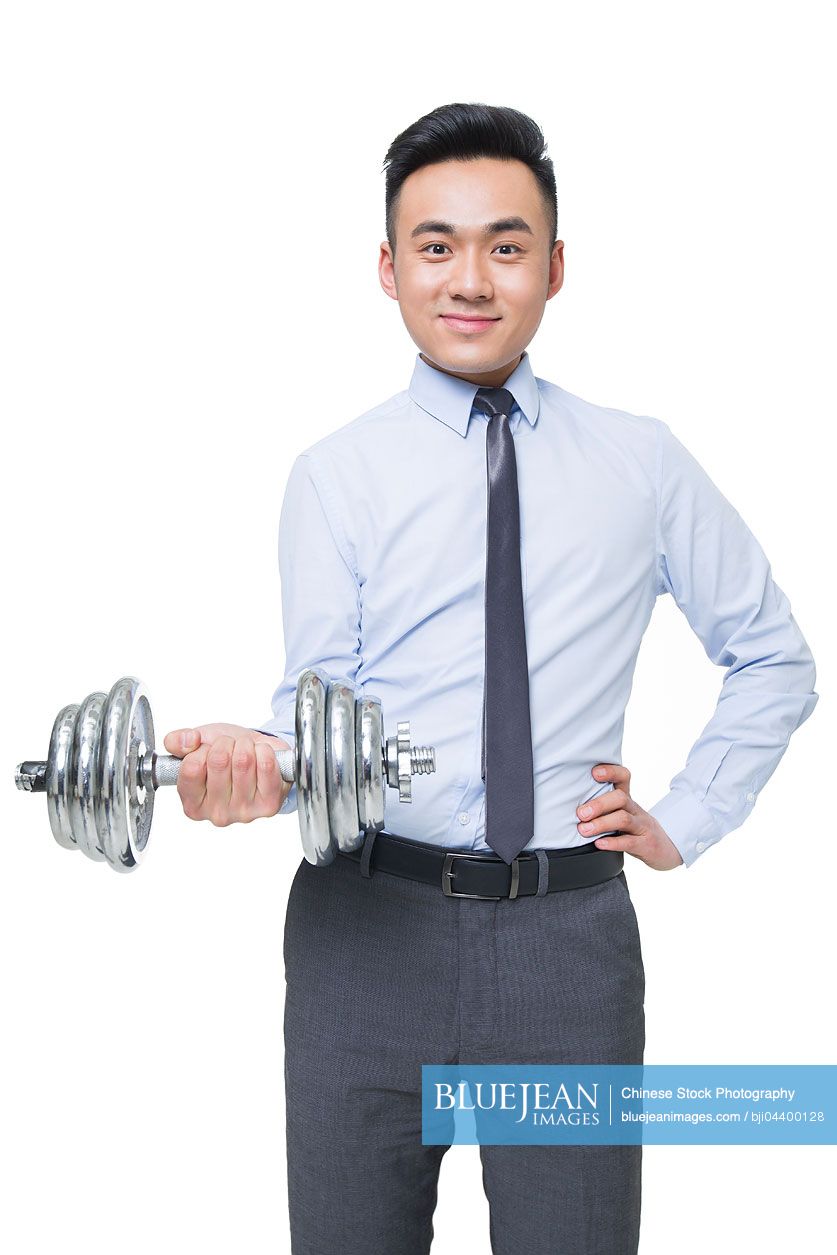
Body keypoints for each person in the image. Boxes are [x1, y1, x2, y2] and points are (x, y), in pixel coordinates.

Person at [162, 103, 818, 1254]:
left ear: (554, 268)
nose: (471, 279)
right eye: (436, 246)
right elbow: (317, 716)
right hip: (362, 936)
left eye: (506, 246)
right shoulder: (335, 475)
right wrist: (248, 768)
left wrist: (685, 818)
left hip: (566, 948)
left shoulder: (641, 461)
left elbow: (773, 657)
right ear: (389, 267)